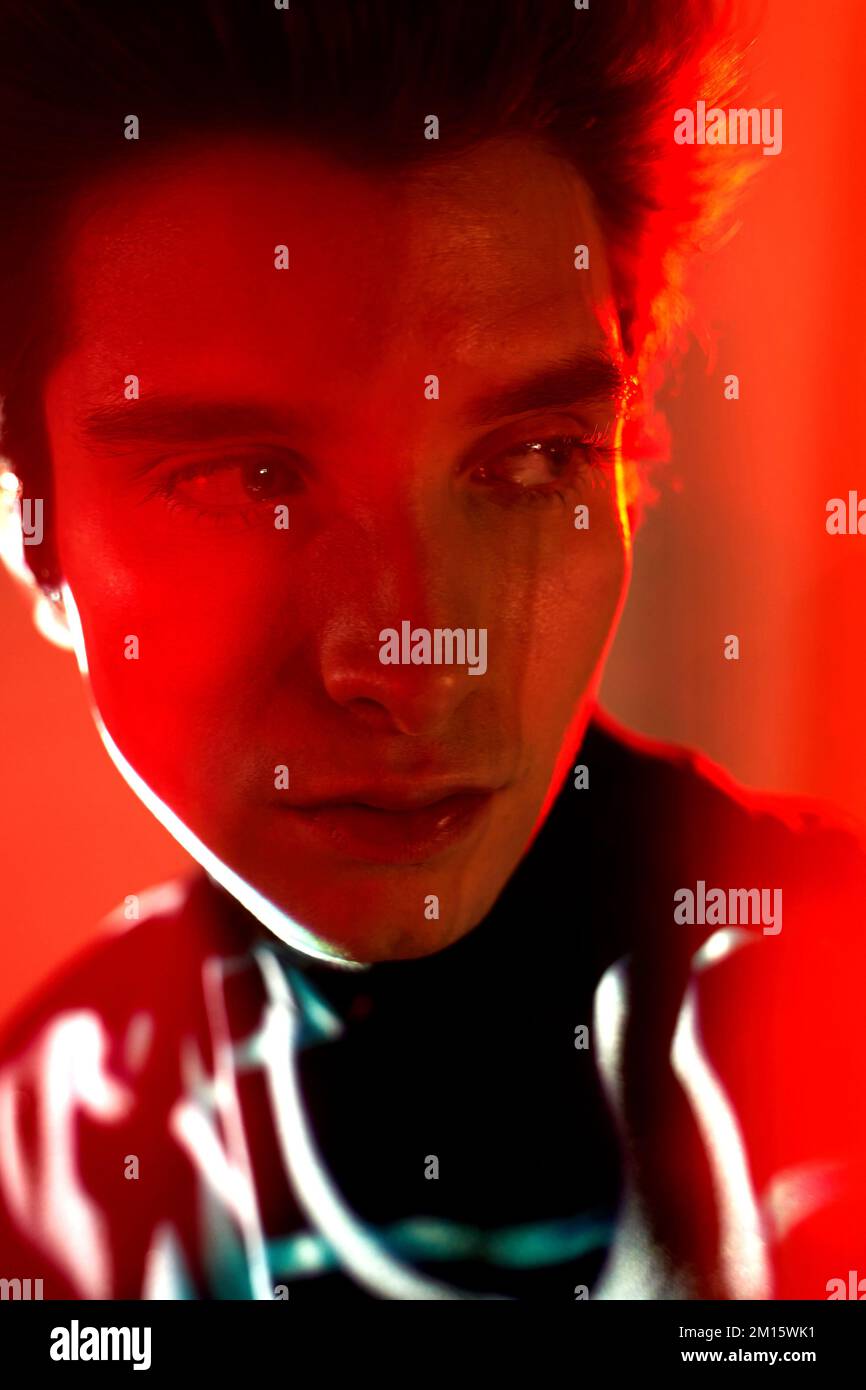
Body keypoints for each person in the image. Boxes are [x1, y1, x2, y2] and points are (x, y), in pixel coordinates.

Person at [0, 0, 862, 1301]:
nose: (419, 659)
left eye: (528, 458)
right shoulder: (49, 1141)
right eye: (248, 477)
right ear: (34, 533)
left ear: (627, 463)